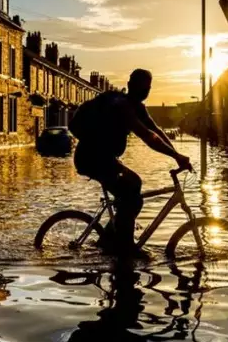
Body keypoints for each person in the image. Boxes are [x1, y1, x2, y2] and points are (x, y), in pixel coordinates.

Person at [72, 69, 192, 254]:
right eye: (140, 87)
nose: (144, 92)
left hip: (104, 158)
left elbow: (156, 130)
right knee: (131, 191)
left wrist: (177, 155)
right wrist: (176, 157)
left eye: (147, 88)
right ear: (129, 85)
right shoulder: (121, 106)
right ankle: (125, 248)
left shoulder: (138, 107)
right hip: (91, 158)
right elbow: (147, 136)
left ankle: (109, 239)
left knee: (133, 188)